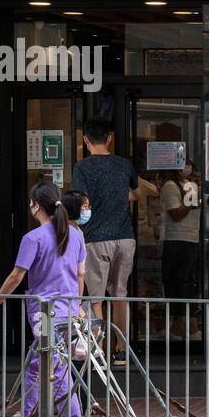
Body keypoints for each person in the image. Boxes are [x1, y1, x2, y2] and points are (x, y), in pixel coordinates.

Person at [0, 183, 87, 417]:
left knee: (55, 367)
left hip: (45, 313)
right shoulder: (75, 235)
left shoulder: (33, 238)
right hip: (68, 309)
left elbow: (17, 275)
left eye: (31, 202)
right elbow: (80, 274)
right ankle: (27, 415)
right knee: (38, 365)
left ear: (36, 206)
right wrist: (78, 305)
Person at [72, 118, 140, 366]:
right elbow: (137, 193)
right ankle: (122, 350)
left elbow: (81, 201)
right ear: (109, 138)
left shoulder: (83, 168)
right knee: (120, 294)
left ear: (85, 140)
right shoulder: (124, 165)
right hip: (125, 237)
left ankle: (99, 350)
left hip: (96, 238)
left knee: (97, 298)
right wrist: (120, 198)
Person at [159, 162, 202, 341]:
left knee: (179, 283)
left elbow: (177, 214)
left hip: (182, 240)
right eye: (184, 164)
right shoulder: (172, 186)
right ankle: (185, 328)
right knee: (179, 283)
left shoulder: (188, 186)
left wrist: (191, 199)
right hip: (178, 238)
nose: (189, 168)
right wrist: (191, 200)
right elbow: (175, 213)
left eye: (190, 165)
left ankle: (184, 329)